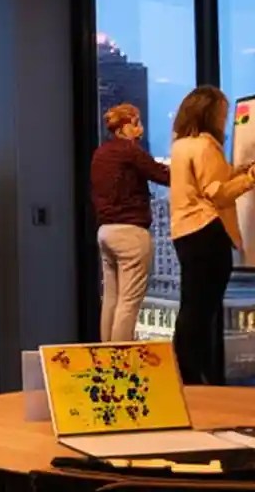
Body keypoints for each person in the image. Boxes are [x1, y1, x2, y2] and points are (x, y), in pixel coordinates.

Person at [170, 87, 255, 385]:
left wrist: (238, 170)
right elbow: (218, 195)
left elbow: (207, 182)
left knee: (191, 306)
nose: (226, 119)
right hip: (207, 230)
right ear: (209, 112)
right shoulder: (205, 146)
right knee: (203, 311)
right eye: (222, 112)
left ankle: (186, 372)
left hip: (185, 233)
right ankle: (195, 377)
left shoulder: (182, 145)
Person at [90, 103, 170, 342]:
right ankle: (120, 359)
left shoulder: (100, 153)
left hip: (106, 232)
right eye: (137, 123)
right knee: (129, 301)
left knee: (111, 299)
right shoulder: (129, 151)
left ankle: (106, 356)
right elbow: (163, 175)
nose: (141, 129)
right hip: (130, 233)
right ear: (127, 125)